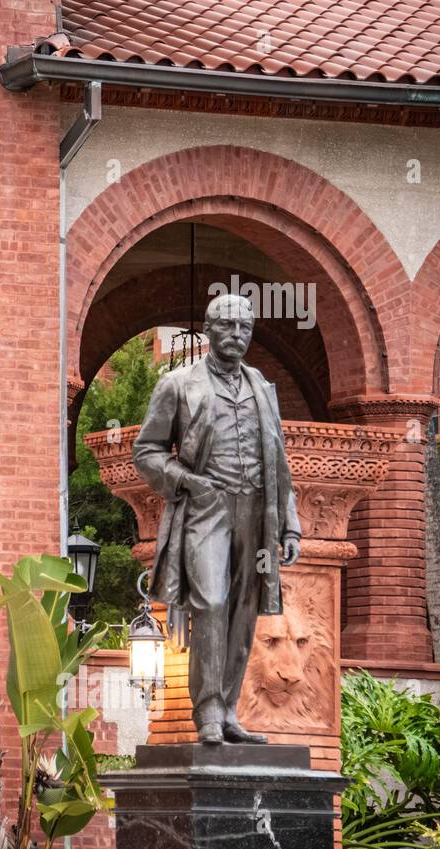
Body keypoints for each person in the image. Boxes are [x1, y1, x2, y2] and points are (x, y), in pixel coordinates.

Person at [132, 293, 301, 745]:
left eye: (245, 328)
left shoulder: (263, 387)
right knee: (211, 601)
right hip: (206, 509)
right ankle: (206, 708)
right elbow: (145, 452)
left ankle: (228, 709)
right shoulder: (179, 384)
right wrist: (187, 481)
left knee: (246, 610)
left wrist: (290, 523)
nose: (236, 336)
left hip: (257, 513)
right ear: (208, 330)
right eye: (227, 327)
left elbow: (279, 461)